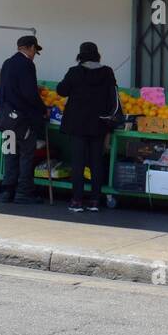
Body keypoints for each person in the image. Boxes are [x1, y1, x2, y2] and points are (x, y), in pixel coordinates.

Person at [57, 41, 119, 213]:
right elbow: (113, 96)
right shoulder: (107, 72)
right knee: (96, 162)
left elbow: (61, 90)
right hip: (99, 124)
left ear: (80, 55)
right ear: (97, 54)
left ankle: (76, 201)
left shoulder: (75, 72)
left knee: (78, 163)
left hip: (77, 125)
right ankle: (94, 201)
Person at [0, 34, 48, 205]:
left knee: (10, 153)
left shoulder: (7, 63)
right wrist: (43, 109)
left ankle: (7, 191)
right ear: (31, 47)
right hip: (23, 121)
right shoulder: (27, 65)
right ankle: (24, 192)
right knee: (26, 154)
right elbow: (29, 94)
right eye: (34, 51)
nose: (34, 55)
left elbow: (3, 90)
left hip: (7, 120)